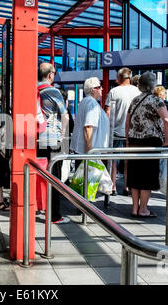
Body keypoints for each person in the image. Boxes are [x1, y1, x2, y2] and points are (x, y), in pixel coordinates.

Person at [125, 72, 168, 218]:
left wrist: (128, 140)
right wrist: (167, 141)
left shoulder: (135, 100)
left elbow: (128, 123)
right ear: (153, 85)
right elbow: (167, 121)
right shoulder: (156, 101)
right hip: (150, 142)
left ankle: (134, 208)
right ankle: (143, 209)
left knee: (135, 175)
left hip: (134, 141)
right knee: (147, 176)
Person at [37, 63, 70, 224]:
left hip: (34, 137)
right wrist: (63, 134)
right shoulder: (53, 91)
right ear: (50, 75)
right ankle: (54, 215)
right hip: (51, 138)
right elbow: (65, 115)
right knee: (54, 176)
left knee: (38, 173)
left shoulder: (33, 89)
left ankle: (38, 206)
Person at [104, 67, 141, 196]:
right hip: (132, 132)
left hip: (116, 132)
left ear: (120, 78)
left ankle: (113, 186)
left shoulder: (114, 91)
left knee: (113, 160)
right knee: (128, 160)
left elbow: (107, 112)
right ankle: (126, 186)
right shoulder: (137, 92)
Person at [71, 77, 110, 155]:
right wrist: (89, 150)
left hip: (87, 150)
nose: (101, 89)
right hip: (91, 152)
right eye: (99, 87)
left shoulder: (86, 101)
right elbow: (88, 127)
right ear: (92, 90)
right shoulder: (91, 103)